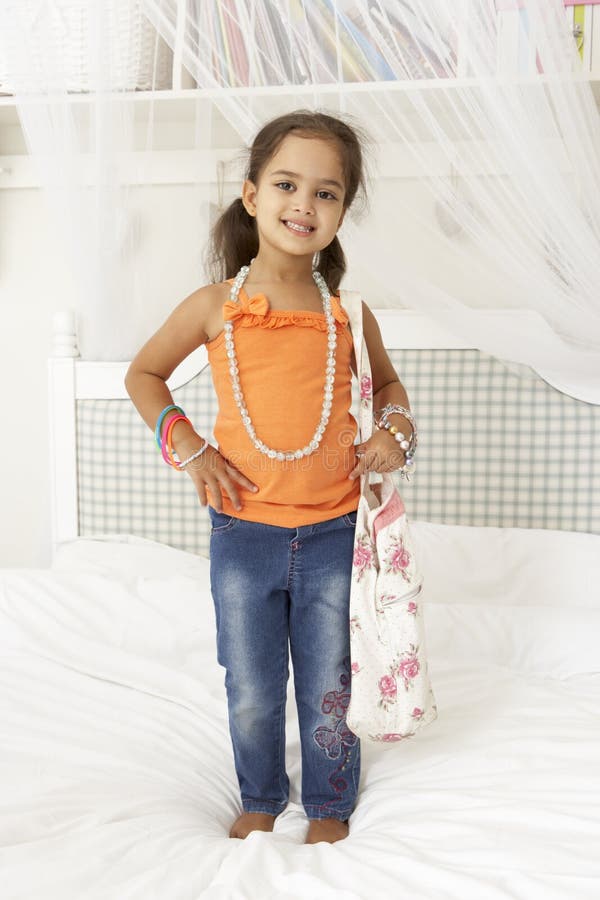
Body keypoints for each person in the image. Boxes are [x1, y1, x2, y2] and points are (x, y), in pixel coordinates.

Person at [124, 109, 415, 846]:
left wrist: (394, 433)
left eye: (327, 193)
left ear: (343, 211)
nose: (304, 205)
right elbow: (145, 375)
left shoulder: (349, 314)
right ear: (252, 195)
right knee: (253, 688)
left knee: (329, 687)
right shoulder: (217, 307)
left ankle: (329, 805)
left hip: (332, 536)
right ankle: (260, 793)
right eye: (287, 184)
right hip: (243, 535)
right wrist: (187, 444)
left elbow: (390, 391)